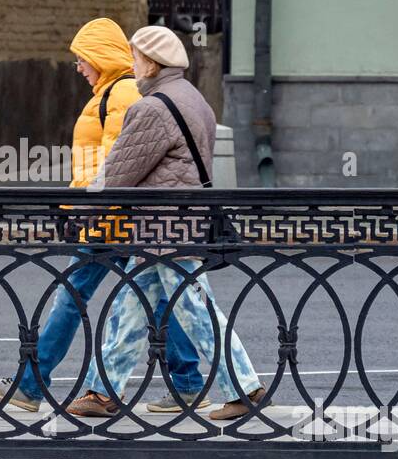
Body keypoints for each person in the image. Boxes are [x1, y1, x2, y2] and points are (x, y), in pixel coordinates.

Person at [0, 18, 210, 415]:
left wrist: (84, 210)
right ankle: (187, 383)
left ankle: (32, 386)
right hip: (110, 215)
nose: (79, 67)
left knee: (73, 296)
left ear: (101, 57)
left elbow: (119, 164)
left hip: (110, 218)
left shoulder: (121, 94)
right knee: (154, 297)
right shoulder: (112, 92)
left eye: (82, 59)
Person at [66, 25, 268, 421]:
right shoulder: (196, 100)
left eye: (137, 57)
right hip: (176, 227)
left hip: (162, 230)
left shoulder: (152, 109)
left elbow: (117, 174)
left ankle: (246, 389)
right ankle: (101, 392)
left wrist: (83, 213)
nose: (133, 65)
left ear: (152, 63)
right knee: (129, 308)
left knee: (196, 309)